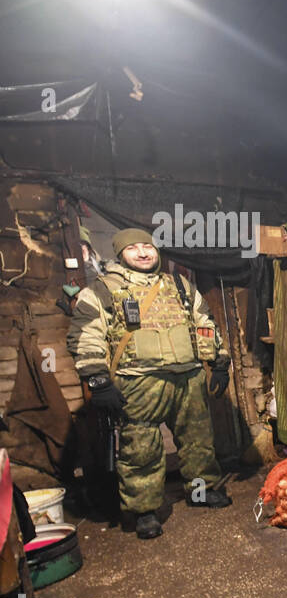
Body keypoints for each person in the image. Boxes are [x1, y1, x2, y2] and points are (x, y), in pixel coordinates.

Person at [66, 227, 232, 539]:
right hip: (138, 382)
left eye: (148, 246)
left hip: (188, 377)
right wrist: (99, 381)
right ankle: (144, 511)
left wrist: (219, 362)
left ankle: (201, 490)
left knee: (198, 441)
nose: (143, 253)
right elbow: (85, 335)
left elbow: (204, 323)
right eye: (134, 248)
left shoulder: (180, 285)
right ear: (120, 254)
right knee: (140, 448)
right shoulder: (102, 290)